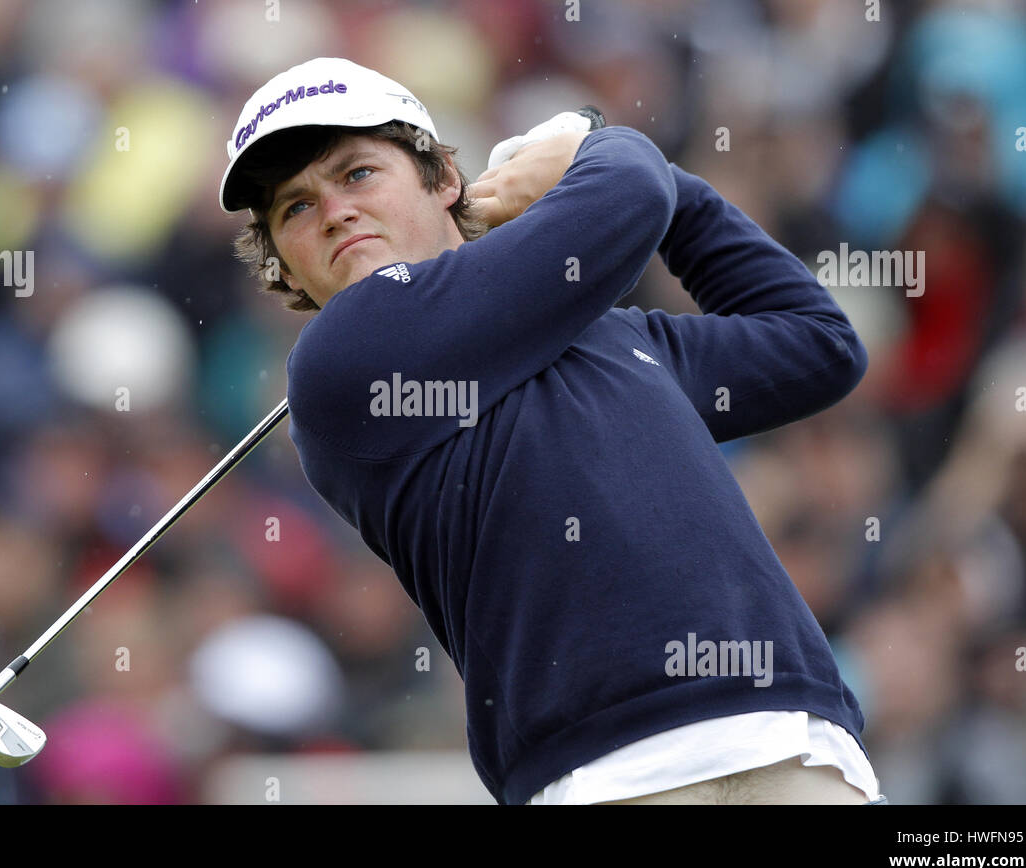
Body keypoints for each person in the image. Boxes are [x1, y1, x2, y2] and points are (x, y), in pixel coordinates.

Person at [219, 57, 886, 806]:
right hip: (606, 775)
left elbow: (817, 343)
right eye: (296, 209)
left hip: (791, 738)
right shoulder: (341, 361)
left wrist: (671, 187)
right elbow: (626, 188)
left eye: (357, 174)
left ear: (444, 178)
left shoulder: (611, 337)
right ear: (289, 271)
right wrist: (593, 145)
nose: (334, 210)